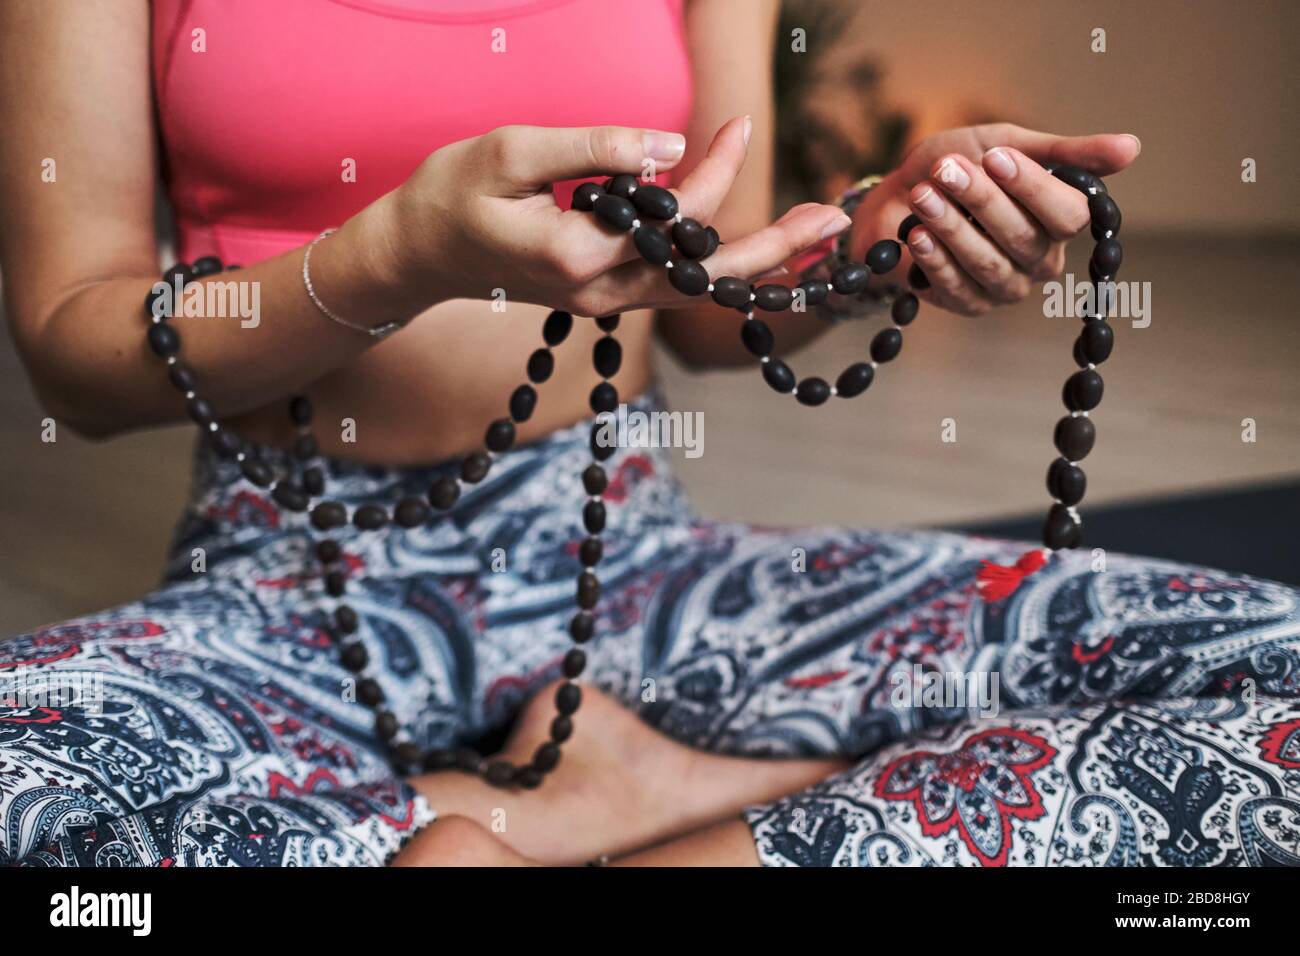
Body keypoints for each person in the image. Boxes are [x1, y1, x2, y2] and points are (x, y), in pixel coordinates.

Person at [0, 0, 1295, 868]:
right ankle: (673, 809)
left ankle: (567, 817)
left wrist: (863, 247)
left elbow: (710, 304)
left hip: (623, 573)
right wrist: (387, 259)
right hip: (280, 590)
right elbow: (77, 350)